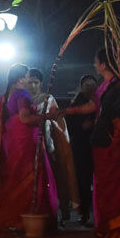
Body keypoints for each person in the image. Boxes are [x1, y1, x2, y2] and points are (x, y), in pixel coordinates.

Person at [61, 50, 120, 238]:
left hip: (114, 145)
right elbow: (100, 110)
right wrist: (65, 111)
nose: (94, 65)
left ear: (104, 64)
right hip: (108, 145)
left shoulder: (119, 89)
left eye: (96, 62)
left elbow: (118, 121)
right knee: (116, 188)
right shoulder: (110, 88)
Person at [0, 64, 57, 231]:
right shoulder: (21, 93)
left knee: (15, 179)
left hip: (14, 142)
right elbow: (25, 119)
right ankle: (23, 220)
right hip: (25, 142)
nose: (29, 79)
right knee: (29, 179)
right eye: (27, 76)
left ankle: (12, 219)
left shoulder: (8, 94)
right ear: (21, 78)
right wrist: (48, 115)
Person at [30, 69, 77, 226]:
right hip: (28, 145)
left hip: (47, 143)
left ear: (41, 83)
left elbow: (58, 121)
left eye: (35, 82)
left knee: (54, 179)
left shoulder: (48, 99)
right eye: (29, 82)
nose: (32, 85)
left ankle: (58, 214)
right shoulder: (23, 98)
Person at [65, 75, 99, 226]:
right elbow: (69, 125)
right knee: (83, 181)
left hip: (98, 145)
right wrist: (81, 127)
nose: (89, 87)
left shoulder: (100, 101)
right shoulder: (76, 103)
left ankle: (99, 214)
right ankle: (83, 213)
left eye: (92, 84)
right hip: (81, 146)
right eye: (86, 84)